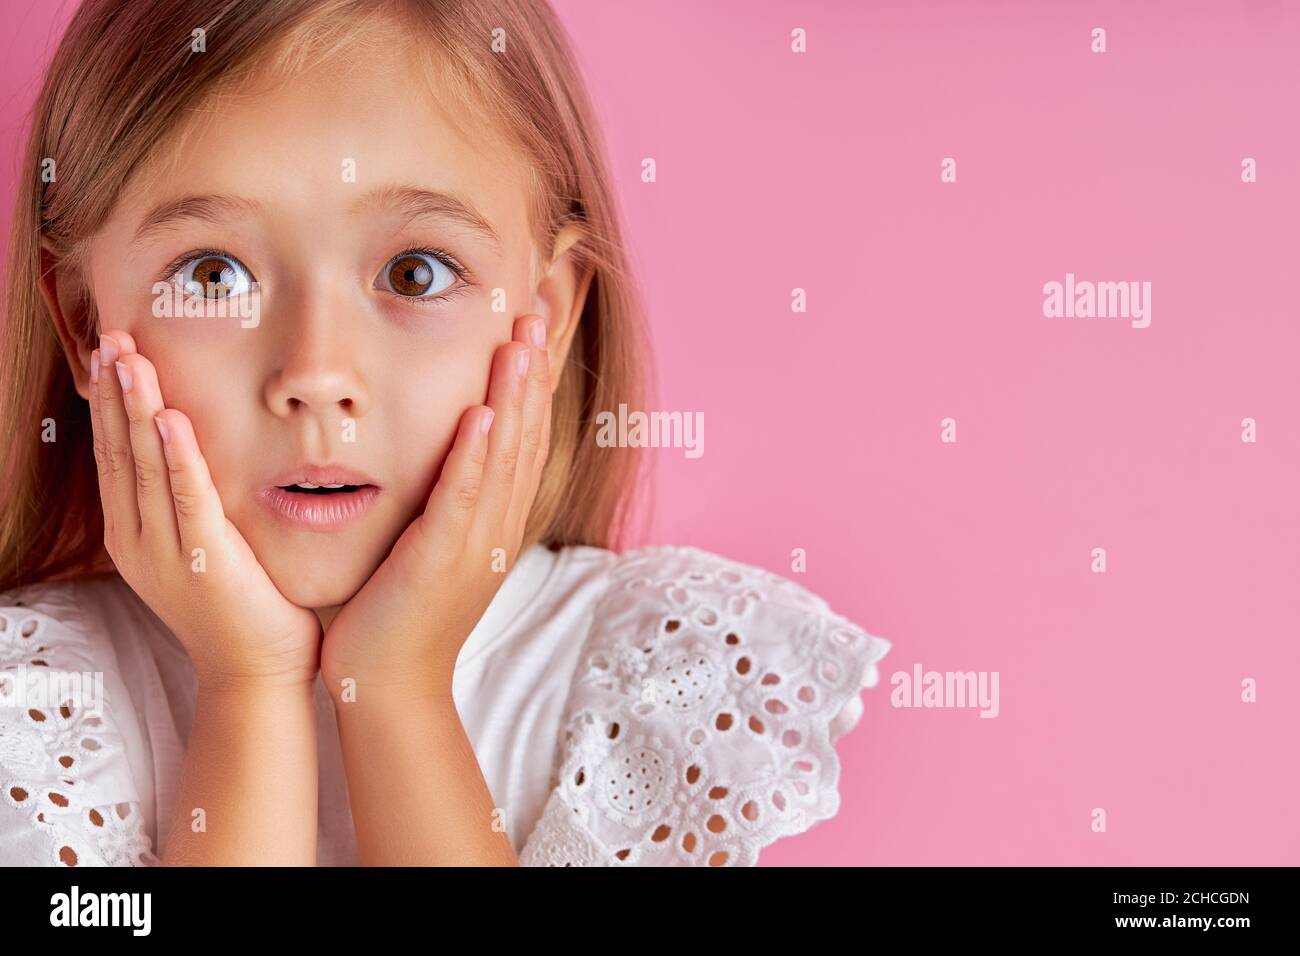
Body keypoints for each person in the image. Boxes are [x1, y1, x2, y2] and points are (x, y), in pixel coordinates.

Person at [0, 0, 891, 866]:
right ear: (84, 324)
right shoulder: (37, 708)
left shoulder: (649, 684)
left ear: (542, 318)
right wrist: (249, 691)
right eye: (212, 273)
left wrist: (397, 692)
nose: (316, 375)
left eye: (415, 273)